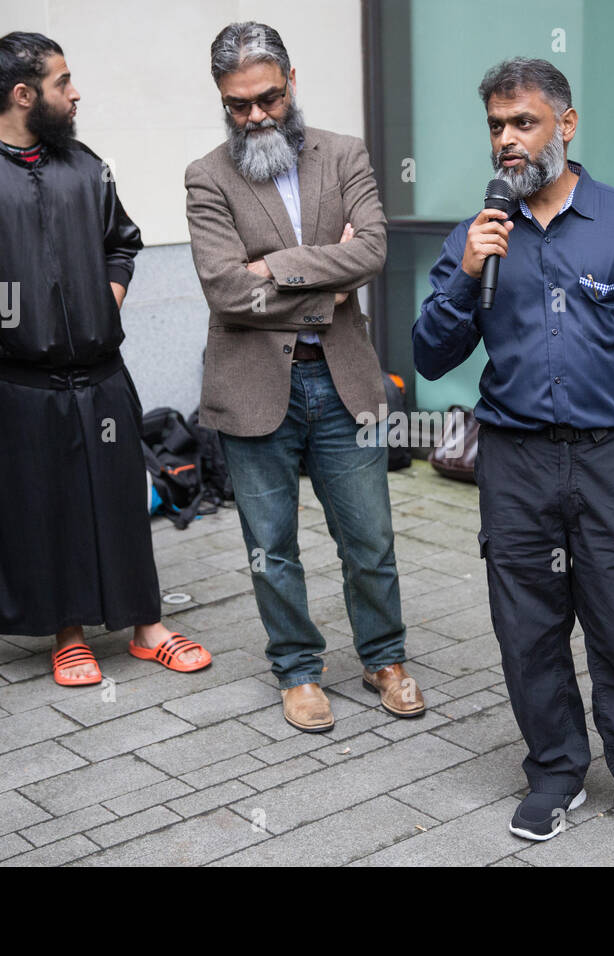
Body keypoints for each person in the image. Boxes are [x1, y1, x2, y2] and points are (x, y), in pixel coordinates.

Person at [413, 58, 614, 848]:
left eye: (522, 122)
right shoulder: (475, 236)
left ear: (565, 123)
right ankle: (557, 771)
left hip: (611, 461)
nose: (506, 141)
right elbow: (429, 355)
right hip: (515, 462)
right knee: (527, 628)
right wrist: (465, 276)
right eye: (496, 126)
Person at [0, 31, 210, 686]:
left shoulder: (88, 165)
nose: (76, 92)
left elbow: (124, 241)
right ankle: (66, 634)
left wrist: (108, 300)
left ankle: (146, 626)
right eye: (64, 83)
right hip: (19, 380)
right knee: (43, 504)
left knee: (120, 498)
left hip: (101, 374)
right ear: (23, 94)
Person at [184, 22, 423, 733]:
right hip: (256, 390)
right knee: (271, 546)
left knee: (370, 539)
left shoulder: (345, 154)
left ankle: (386, 657)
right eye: (237, 104)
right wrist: (327, 281)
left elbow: (374, 250)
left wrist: (274, 269)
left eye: (266, 98)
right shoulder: (207, 176)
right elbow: (227, 293)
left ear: (291, 82)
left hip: (344, 380)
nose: (254, 115)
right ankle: (297, 670)